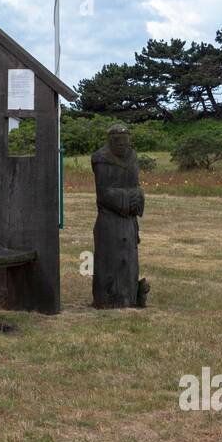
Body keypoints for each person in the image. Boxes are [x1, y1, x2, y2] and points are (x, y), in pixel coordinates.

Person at [91, 124, 148, 308]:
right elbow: (103, 194)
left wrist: (138, 197)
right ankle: (108, 298)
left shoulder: (132, 157)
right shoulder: (101, 159)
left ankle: (131, 295)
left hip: (129, 220)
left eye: (126, 143)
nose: (123, 147)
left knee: (129, 261)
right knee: (110, 262)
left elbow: (135, 185)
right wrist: (128, 198)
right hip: (109, 220)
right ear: (111, 142)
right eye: (119, 143)